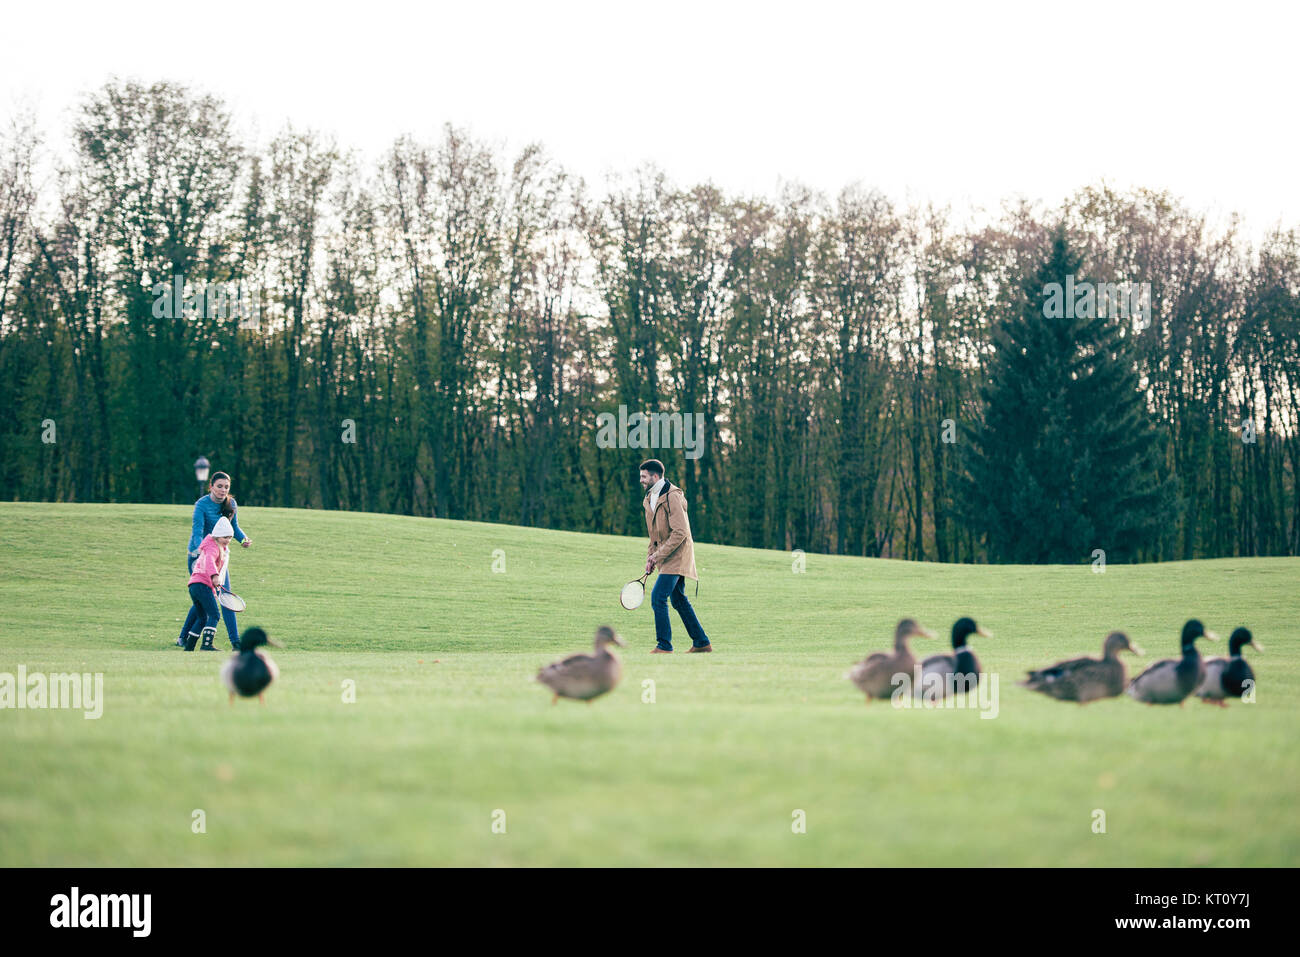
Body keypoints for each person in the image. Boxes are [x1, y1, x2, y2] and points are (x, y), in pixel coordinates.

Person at [640, 459, 712, 654]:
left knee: (658, 597)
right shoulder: (648, 499)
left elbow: (681, 532)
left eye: (644, 477)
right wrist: (650, 557)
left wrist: (658, 555)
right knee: (678, 599)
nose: (641, 480)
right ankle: (701, 642)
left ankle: (664, 645)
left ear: (655, 476)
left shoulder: (672, 496)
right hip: (665, 554)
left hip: (678, 554)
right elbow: (653, 535)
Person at [177, 472, 251, 648]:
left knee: (219, 597)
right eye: (219, 486)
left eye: (226, 487)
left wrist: (243, 540)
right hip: (201, 557)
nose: (223, 490)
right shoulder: (201, 505)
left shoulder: (231, 504)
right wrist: (201, 552)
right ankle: (187, 639)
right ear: (211, 486)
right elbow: (197, 532)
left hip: (220, 557)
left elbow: (234, 528)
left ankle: (234, 642)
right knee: (206, 599)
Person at [181, 517, 234, 651]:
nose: (227, 540)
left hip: (194, 586)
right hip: (202, 584)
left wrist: (212, 590)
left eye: (230, 537)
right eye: (225, 537)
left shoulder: (210, 545)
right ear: (217, 536)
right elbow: (210, 562)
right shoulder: (213, 547)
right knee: (215, 615)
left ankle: (189, 647)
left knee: (202, 617)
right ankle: (206, 645)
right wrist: (215, 576)